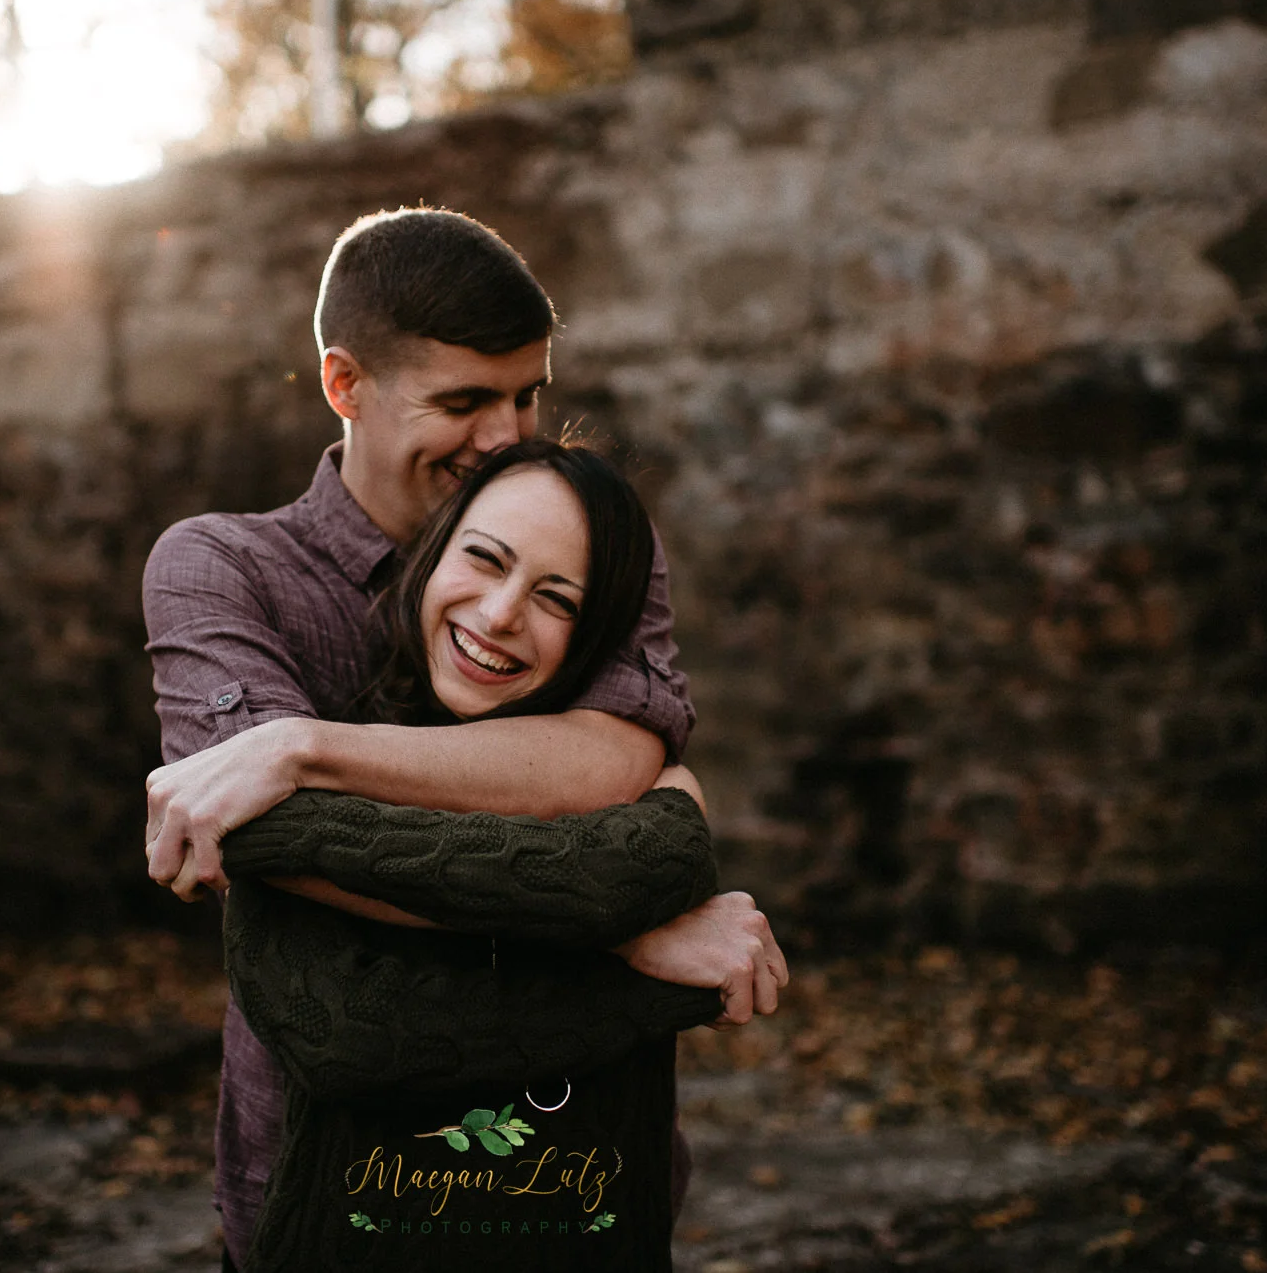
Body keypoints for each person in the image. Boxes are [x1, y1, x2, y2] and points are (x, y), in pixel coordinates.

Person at [141, 208, 786, 1270]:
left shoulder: (592, 531)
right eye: (463, 400)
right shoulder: (221, 567)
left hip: (576, 1183)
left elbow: (619, 757)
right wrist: (621, 931)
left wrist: (302, 745)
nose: (506, 435)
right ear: (344, 386)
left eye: (527, 392)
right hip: (320, 1199)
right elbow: (281, 846)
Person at [216, 438, 741, 1270]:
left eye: (557, 599)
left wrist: (304, 810)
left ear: (596, 633)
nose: (500, 614)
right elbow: (349, 1034)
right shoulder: (328, 745)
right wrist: (641, 966)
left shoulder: (626, 776)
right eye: (483, 558)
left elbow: (668, 853)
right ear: (431, 555)